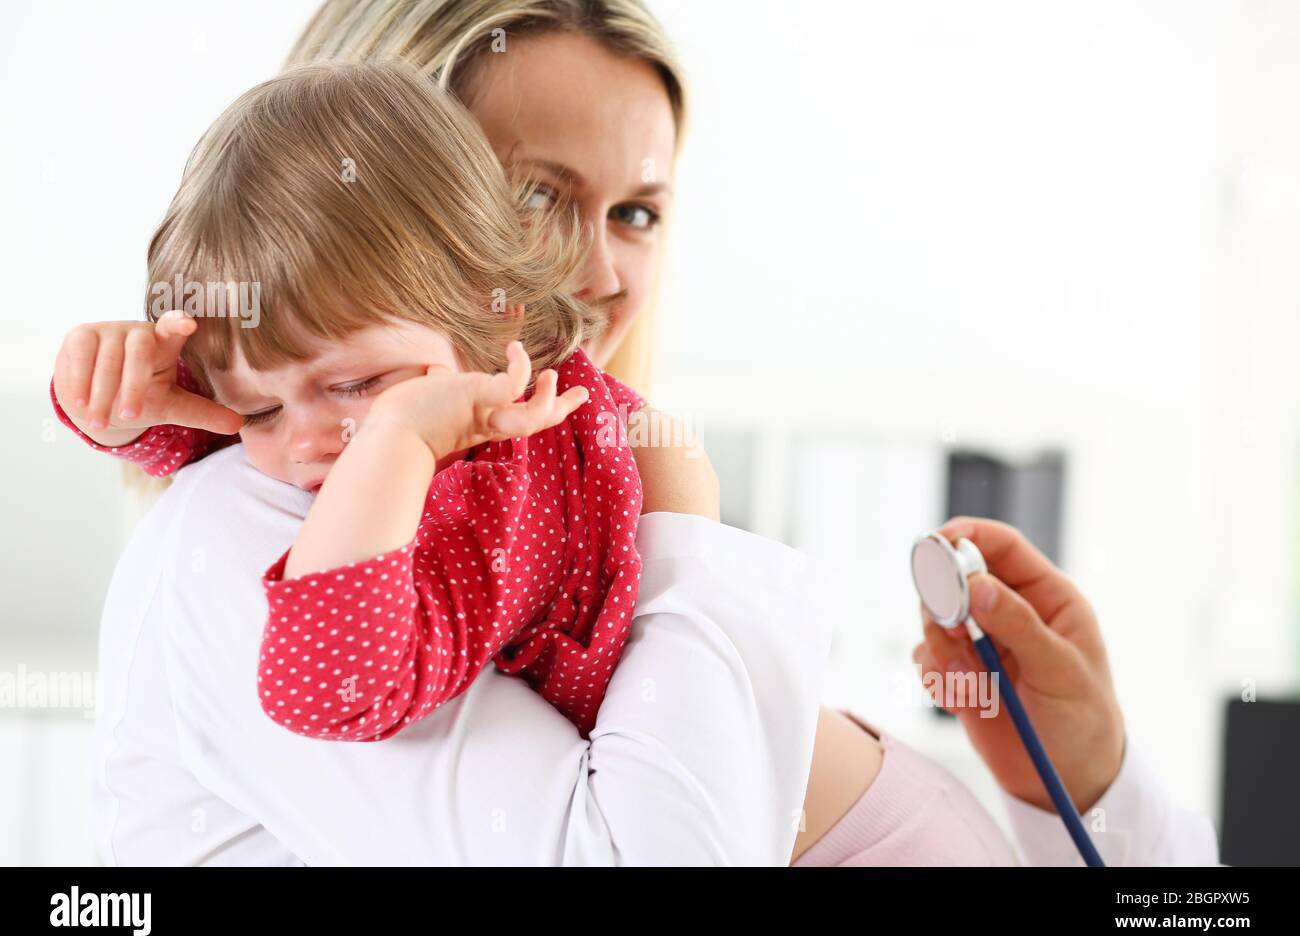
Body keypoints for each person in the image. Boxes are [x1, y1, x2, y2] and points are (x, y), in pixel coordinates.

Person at [56, 0, 1217, 865]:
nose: (603, 272)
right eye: (531, 197)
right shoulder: (268, 536)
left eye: (637, 211)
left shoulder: (583, 525)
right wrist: (689, 527)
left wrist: (1088, 783)